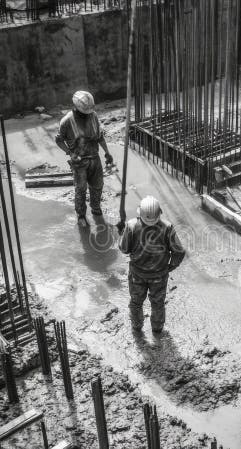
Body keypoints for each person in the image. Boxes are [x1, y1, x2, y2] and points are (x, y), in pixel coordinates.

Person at [119, 196, 186, 334]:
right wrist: (170, 266)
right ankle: (157, 330)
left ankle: (137, 327)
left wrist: (123, 235)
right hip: (159, 276)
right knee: (158, 303)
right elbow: (179, 251)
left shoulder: (131, 226)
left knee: (136, 303)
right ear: (159, 213)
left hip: (137, 274)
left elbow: (124, 249)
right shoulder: (167, 228)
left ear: (140, 213)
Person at [55, 90, 115, 227]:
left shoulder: (93, 116)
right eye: (83, 112)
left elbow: (100, 136)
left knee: (98, 185)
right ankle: (81, 215)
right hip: (79, 162)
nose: (86, 115)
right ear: (75, 107)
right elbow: (58, 140)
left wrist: (107, 152)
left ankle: (95, 207)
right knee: (81, 189)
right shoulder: (66, 121)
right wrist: (69, 153)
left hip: (95, 158)